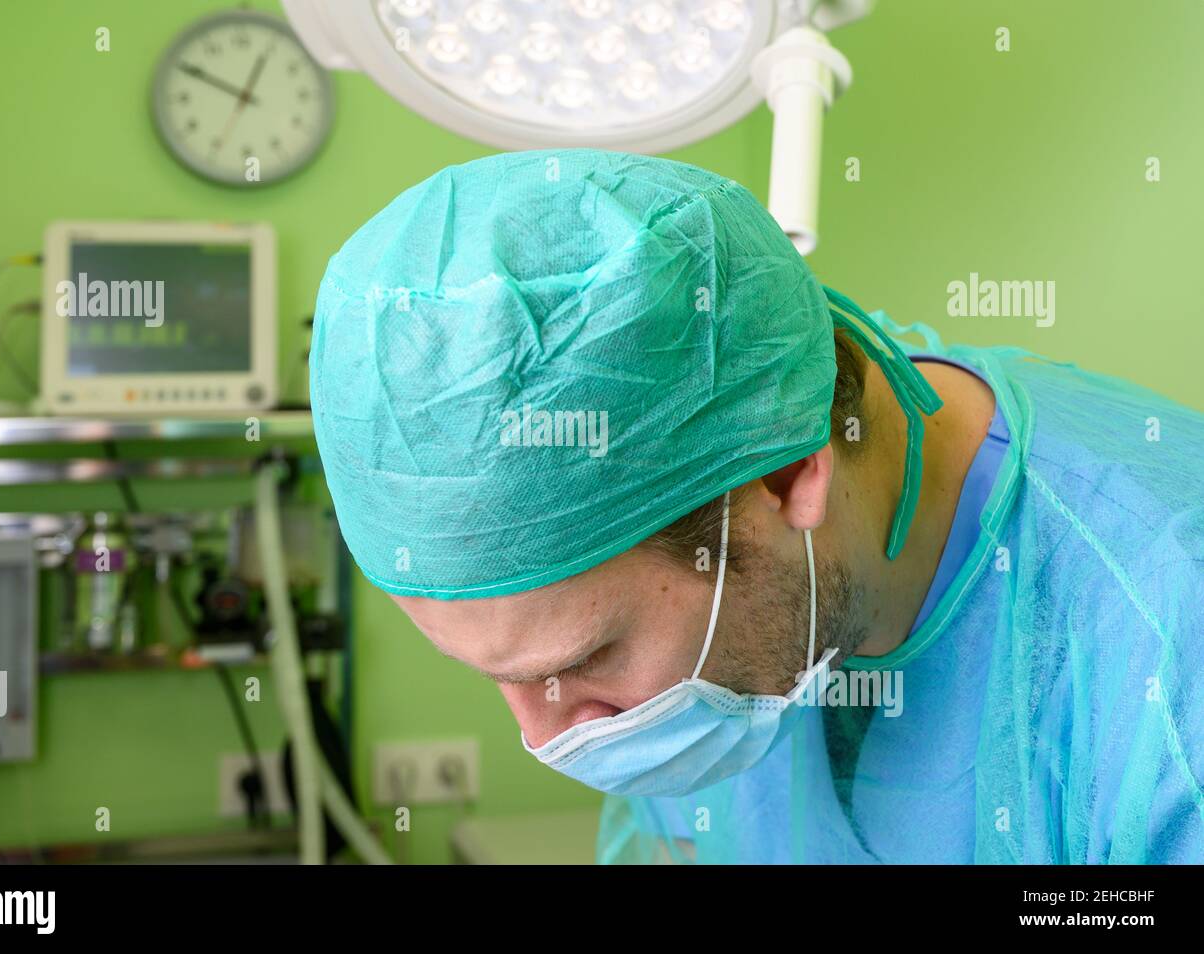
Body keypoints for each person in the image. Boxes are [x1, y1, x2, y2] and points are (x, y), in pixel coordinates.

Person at [309, 149, 1204, 863]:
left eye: (587, 657)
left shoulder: (1164, 645)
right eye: (498, 678)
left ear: (783, 478)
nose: (551, 739)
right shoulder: (690, 623)